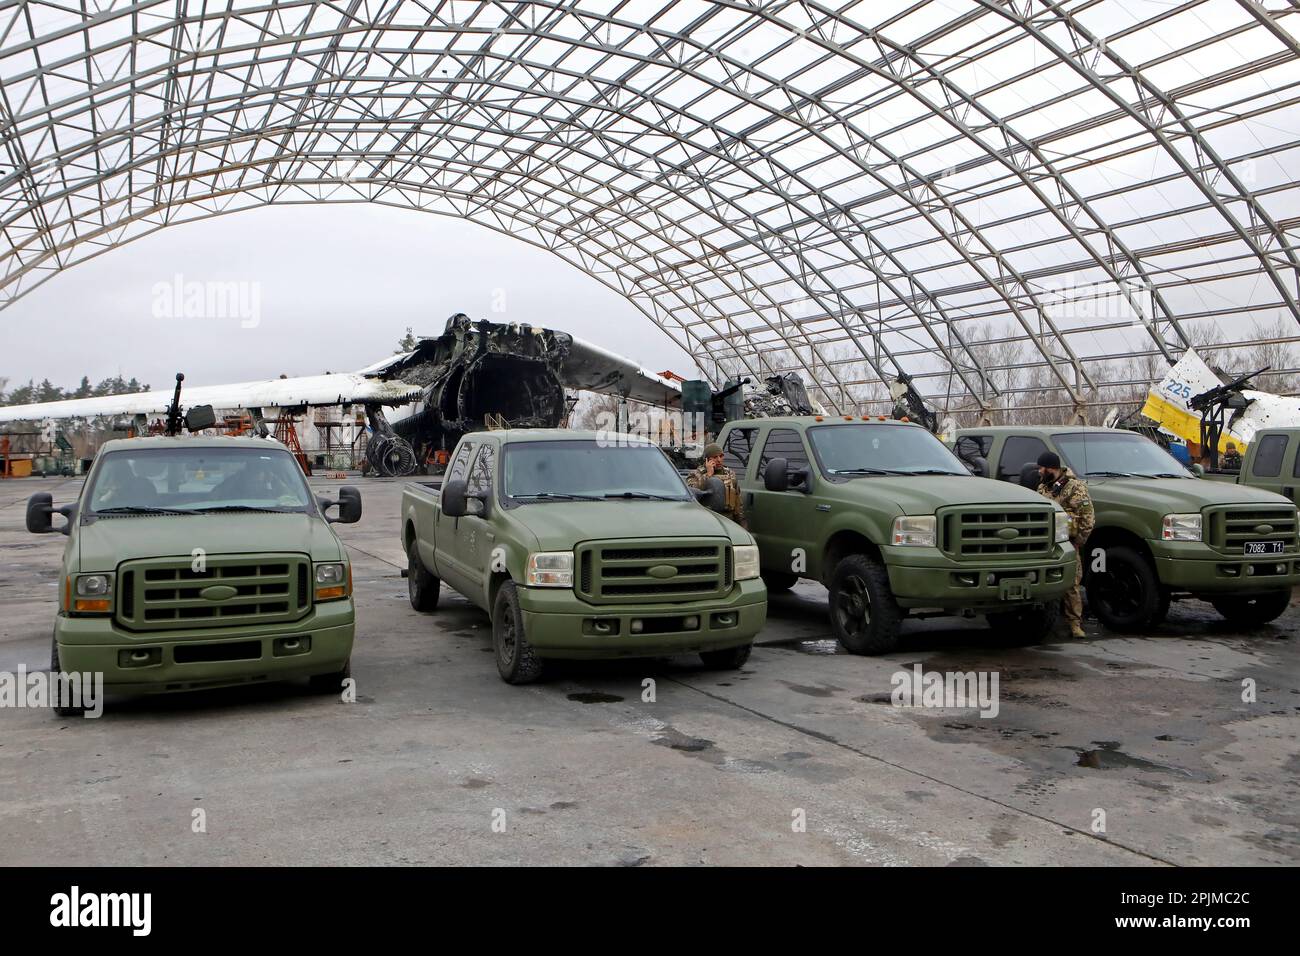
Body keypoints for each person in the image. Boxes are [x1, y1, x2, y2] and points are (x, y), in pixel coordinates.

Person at [1035, 451, 1094, 639]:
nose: (1039, 471)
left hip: (1068, 543)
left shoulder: (1075, 487)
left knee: (1072, 585)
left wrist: (1078, 541)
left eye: (1041, 468)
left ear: (1051, 468)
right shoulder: (1043, 487)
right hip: (1046, 544)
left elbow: (1087, 518)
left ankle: (1075, 624)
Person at [687, 443, 746, 527]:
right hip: (706, 521)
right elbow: (692, 494)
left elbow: (738, 504)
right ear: (707, 460)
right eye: (715, 457)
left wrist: (742, 524)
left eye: (721, 456)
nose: (719, 460)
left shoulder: (730, 474)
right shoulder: (695, 475)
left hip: (727, 520)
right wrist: (708, 475)